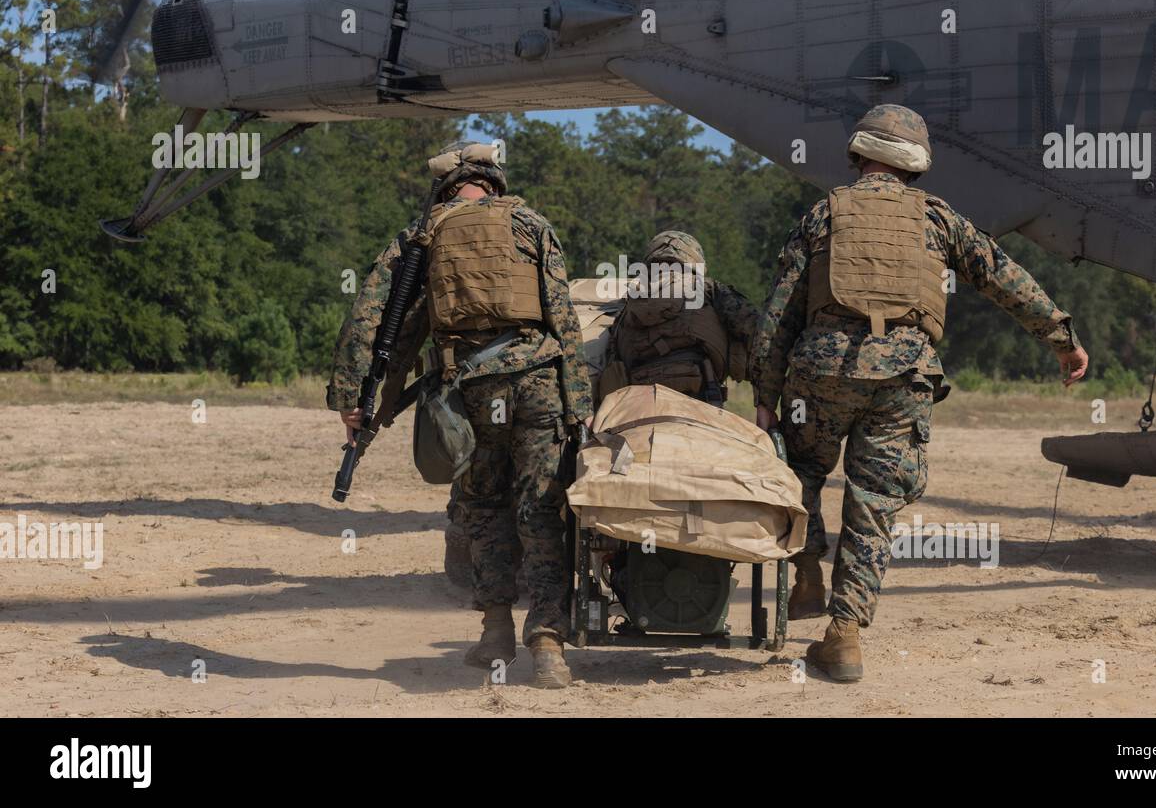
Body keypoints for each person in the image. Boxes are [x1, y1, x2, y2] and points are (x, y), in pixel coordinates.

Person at [749, 105, 1089, 682]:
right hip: (903, 376)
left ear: (859, 155)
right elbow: (1002, 276)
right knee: (875, 502)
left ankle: (805, 572)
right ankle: (845, 634)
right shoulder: (938, 218)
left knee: (800, 473)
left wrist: (764, 394)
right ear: (916, 164)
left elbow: (778, 313)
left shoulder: (822, 214)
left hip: (820, 372)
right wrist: (1061, 337)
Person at [326, 142, 593, 689]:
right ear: (493, 182)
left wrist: (356, 399)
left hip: (468, 388)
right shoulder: (531, 224)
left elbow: (374, 322)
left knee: (483, 507)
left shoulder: (423, 237)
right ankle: (548, 647)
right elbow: (565, 321)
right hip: (538, 382)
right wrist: (579, 407)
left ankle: (496, 631)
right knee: (542, 509)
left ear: (445, 188)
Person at [601, 230, 757, 406]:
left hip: (638, 401)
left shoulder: (631, 303)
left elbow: (613, 364)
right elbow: (753, 330)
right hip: (703, 393)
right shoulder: (709, 289)